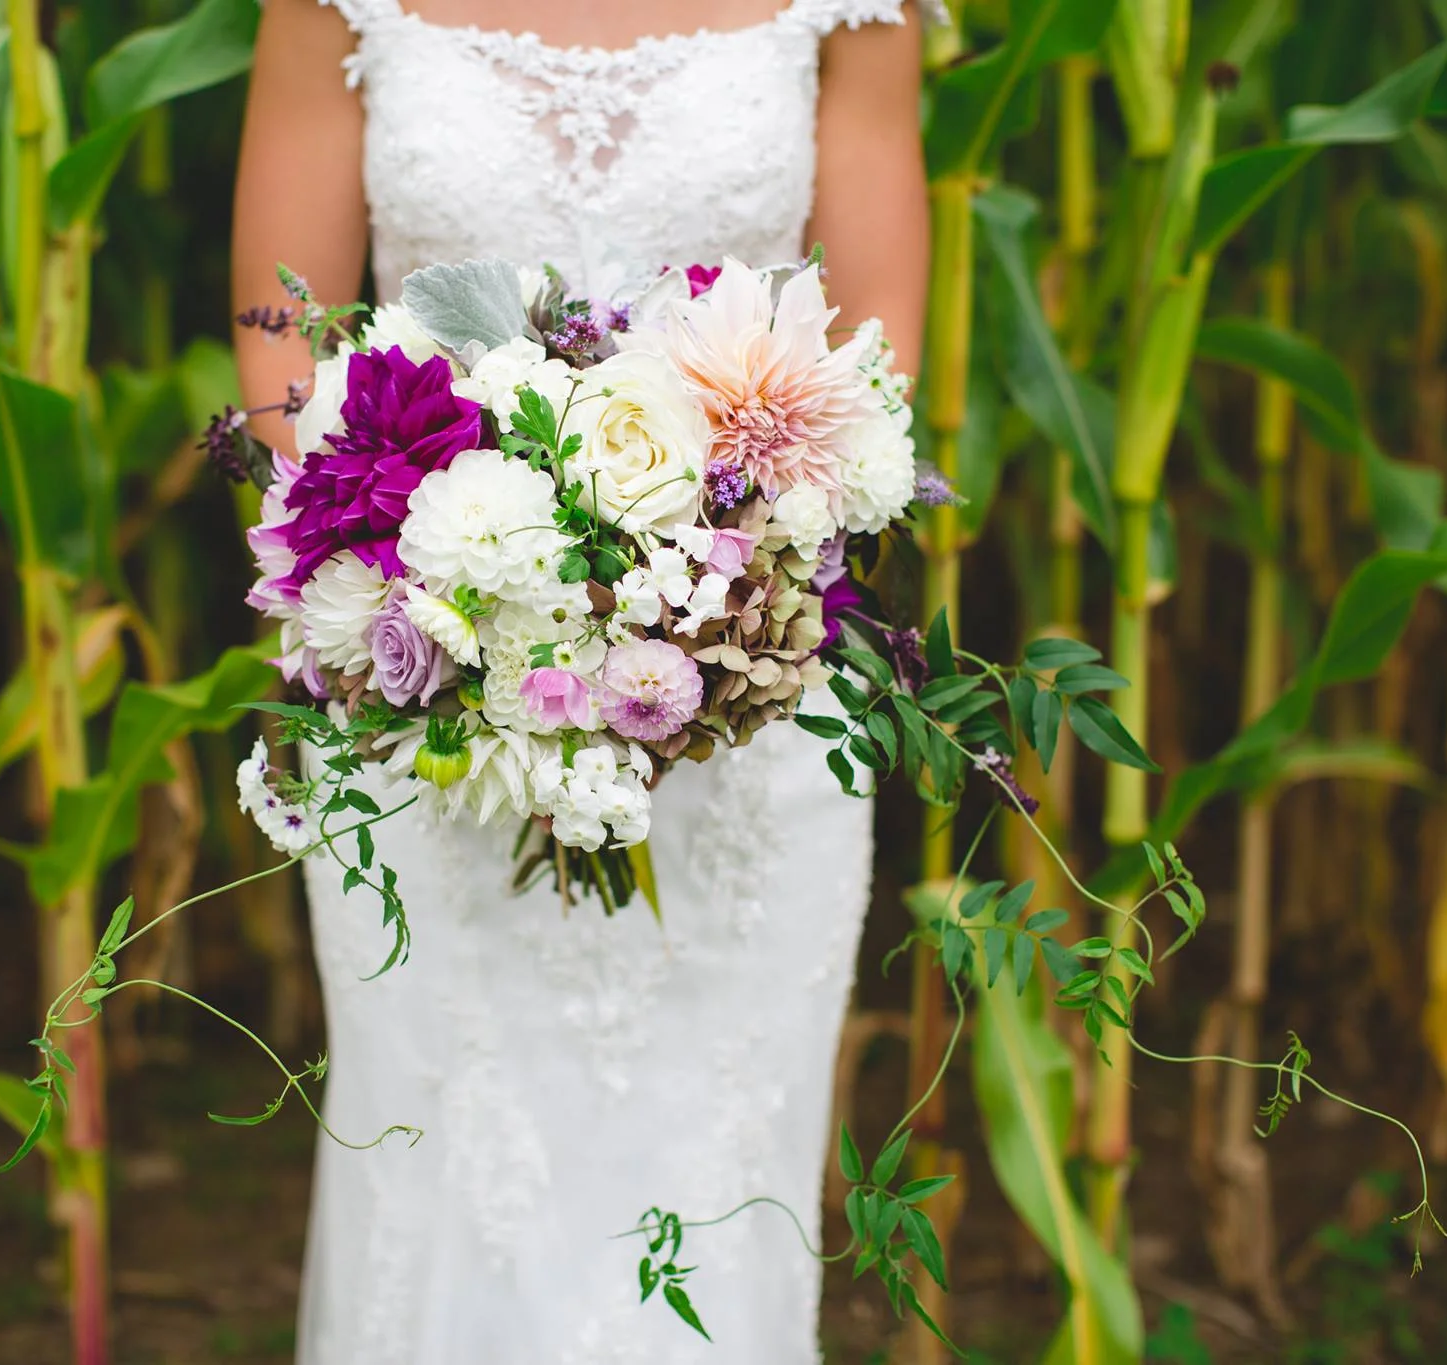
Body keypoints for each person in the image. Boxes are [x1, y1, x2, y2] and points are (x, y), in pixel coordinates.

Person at [231, 2, 934, 1359]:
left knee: (715, 1169)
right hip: (421, 677)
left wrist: (718, 575)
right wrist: (407, 582)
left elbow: (879, 342)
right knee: (442, 1157)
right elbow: (279, 326)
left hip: (749, 700)